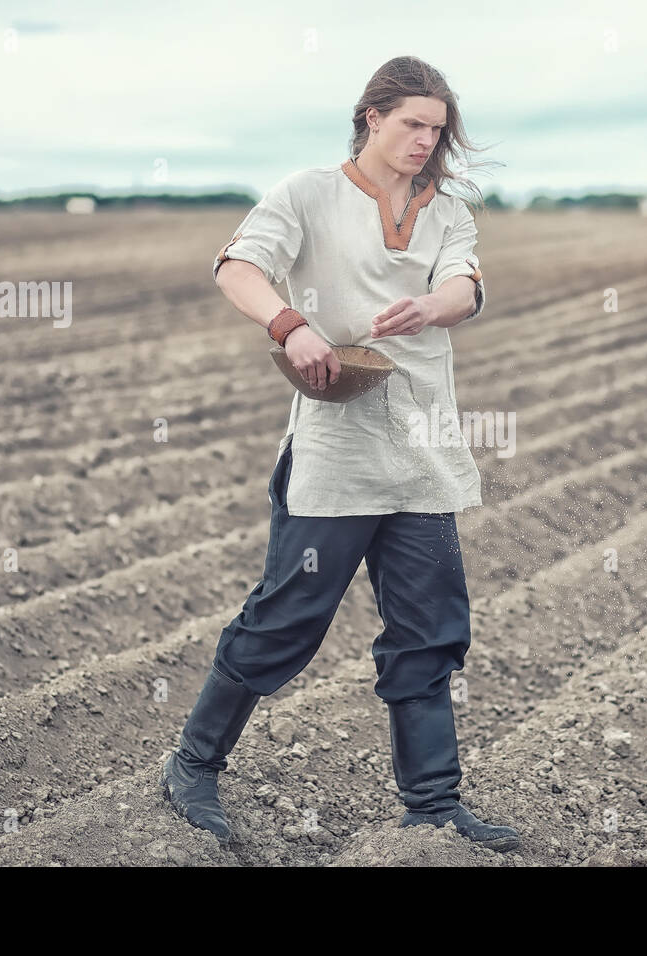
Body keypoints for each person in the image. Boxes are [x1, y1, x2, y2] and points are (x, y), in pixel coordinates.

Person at [159, 56, 519, 853]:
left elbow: (465, 285)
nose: (426, 141)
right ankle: (192, 765)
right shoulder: (307, 194)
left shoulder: (446, 208)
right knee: (287, 618)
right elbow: (238, 266)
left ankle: (433, 805)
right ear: (371, 118)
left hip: (422, 448)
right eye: (412, 124)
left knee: (429, 630)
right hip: (335, 448)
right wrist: (294, 327)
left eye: (437, 128)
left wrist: (432, 303)